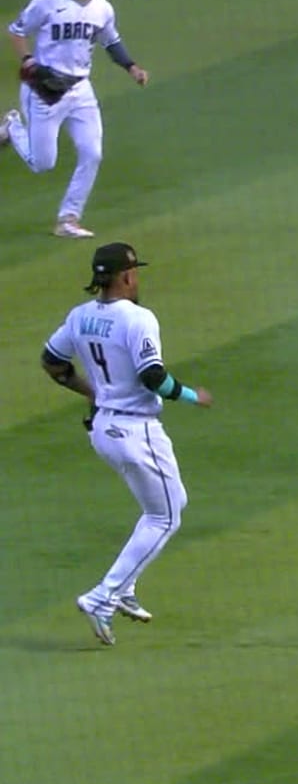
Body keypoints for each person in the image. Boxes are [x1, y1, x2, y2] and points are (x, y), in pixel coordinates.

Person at [41, 241, 212, 646]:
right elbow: (153, 377)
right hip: (138, 431)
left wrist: (92, 392)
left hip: (104, 430)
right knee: (166, 517)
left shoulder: (79, 316)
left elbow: (53, 362)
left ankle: (126, 589)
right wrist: (193, 397)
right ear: (128, 276)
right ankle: (103, 596)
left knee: (167, 506)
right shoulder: (138, 319)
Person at [2, 0, 149, 240]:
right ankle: (11, 126)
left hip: (81, 90)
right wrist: (28, 60)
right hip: (44, 90)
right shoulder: (48, 1)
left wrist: (131, 67)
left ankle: (68, 219)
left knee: (92, 153)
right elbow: (16, 30)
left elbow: (111, 42)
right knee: (43, 164)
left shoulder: (102, 9)